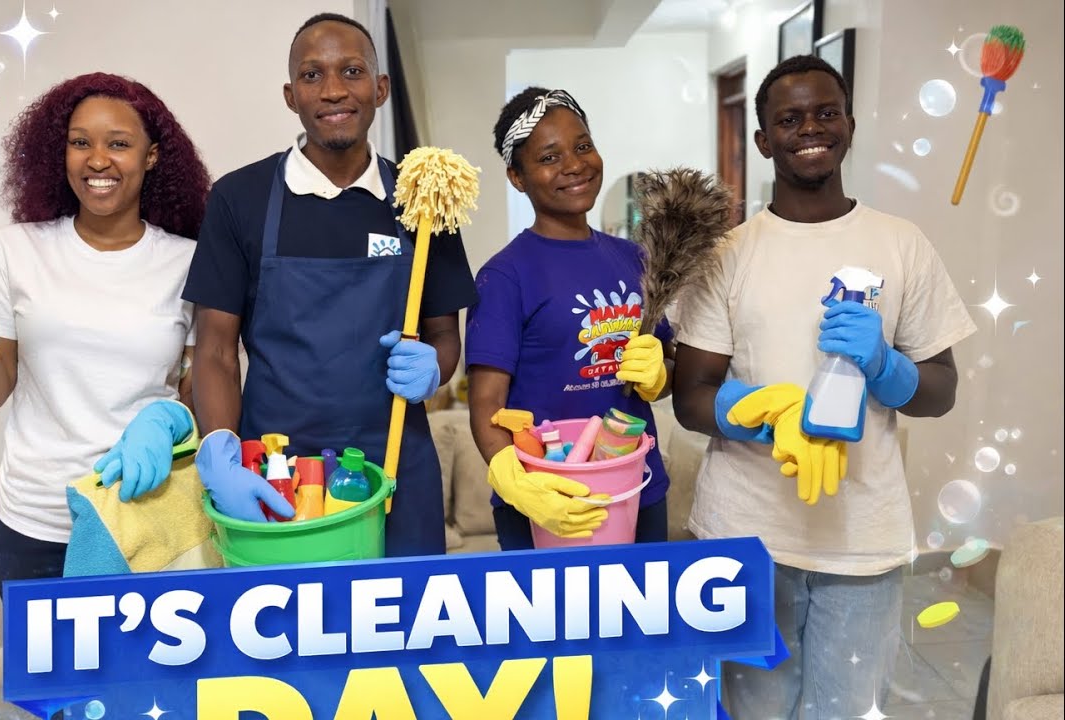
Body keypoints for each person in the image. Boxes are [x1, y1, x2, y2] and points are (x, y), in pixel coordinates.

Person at [670, 55, 976, 718]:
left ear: (850, 126)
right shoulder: (727, 254)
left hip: (862, 541)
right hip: (745, 536)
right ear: (763, 140)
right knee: (752, 712)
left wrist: (887, 366)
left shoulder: (902, 245)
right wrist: (765, 415)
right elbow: (690, 396)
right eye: (789, 119)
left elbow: (943, 389)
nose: (810, 128)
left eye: (826, 112)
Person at [182, 13, 477, 557]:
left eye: (352, 71)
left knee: (405, 612)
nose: (334, 89)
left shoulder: (423, 201)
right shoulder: (239, 199)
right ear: (290, 95)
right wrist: (221, 450)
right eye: (312, 75)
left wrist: (434, 368)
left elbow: (444, 334)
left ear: (380, 88)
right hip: (277, 471)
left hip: (396, 464)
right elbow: (216, 350)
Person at [0, 73, 212, 589]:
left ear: (151, 157)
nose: (97, 160)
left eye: (118, 144)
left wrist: (169, 421)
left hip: (144, 518)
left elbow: (199, 399)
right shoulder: (17, 249)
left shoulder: (188, 262)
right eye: (80, 143)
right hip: (35, 521)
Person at [465, 87, 675, 549]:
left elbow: (666, 369)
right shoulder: (505, 275)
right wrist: (516, 483)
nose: (574, 165)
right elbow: (486, 402)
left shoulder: (635, 258)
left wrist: (661, 373)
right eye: (549, 157)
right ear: (517, 177)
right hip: (545, 498)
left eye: (583, 146)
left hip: (635, 489)